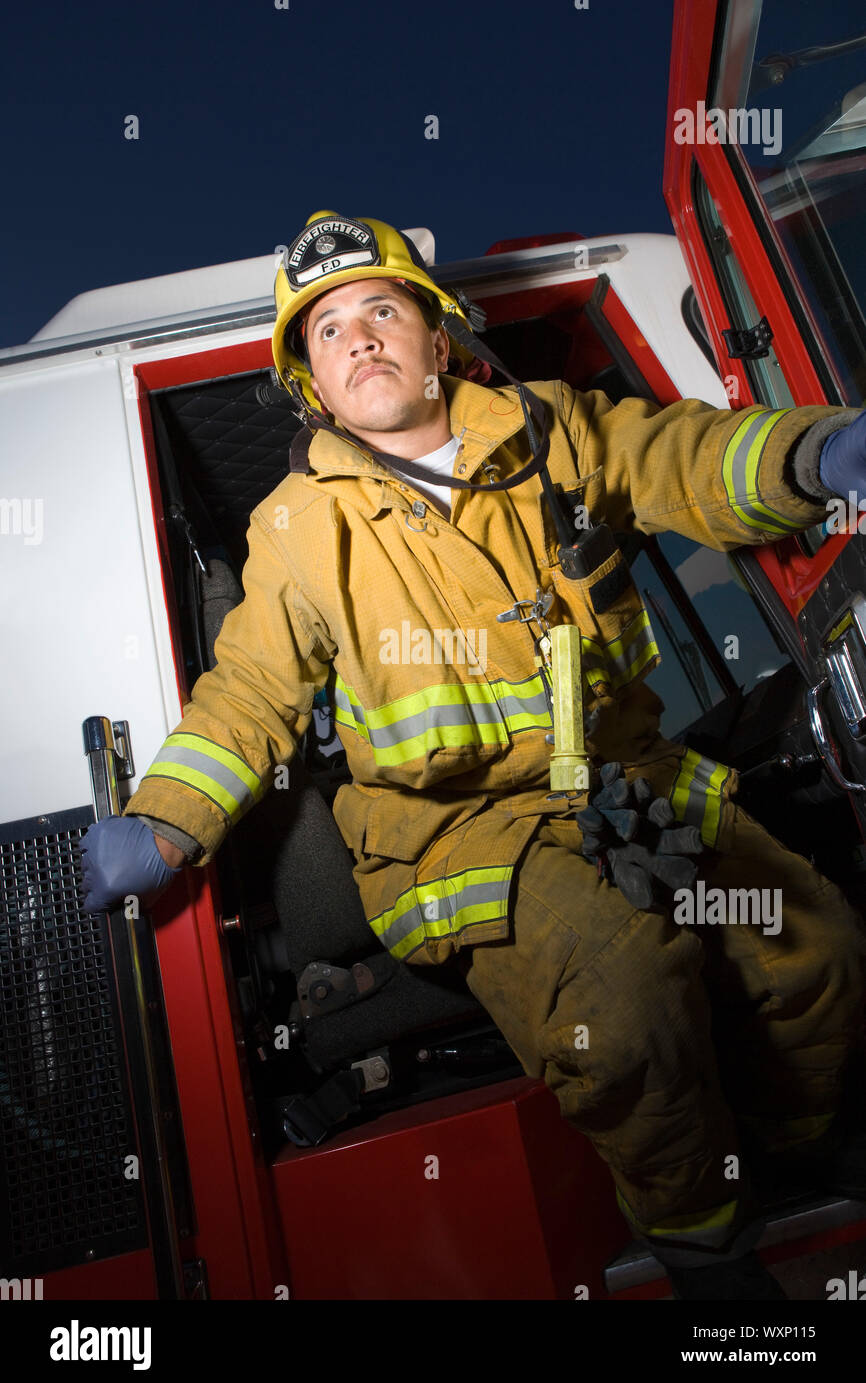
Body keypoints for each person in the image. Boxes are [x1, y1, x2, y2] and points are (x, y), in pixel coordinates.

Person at [82, 211, 866, 1300]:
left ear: (436, 337)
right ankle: (709, 1255)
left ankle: (791, 1150)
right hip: (466, 840)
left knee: (812, 949)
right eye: (325, 332)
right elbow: (250, 690)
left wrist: (806, 453)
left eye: (380, 310)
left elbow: (680, 455)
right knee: (624, 1005)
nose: (357, 339)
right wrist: (168, 815)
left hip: (626, 792)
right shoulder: (298, 529)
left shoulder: (553, 431)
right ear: (309, 380)